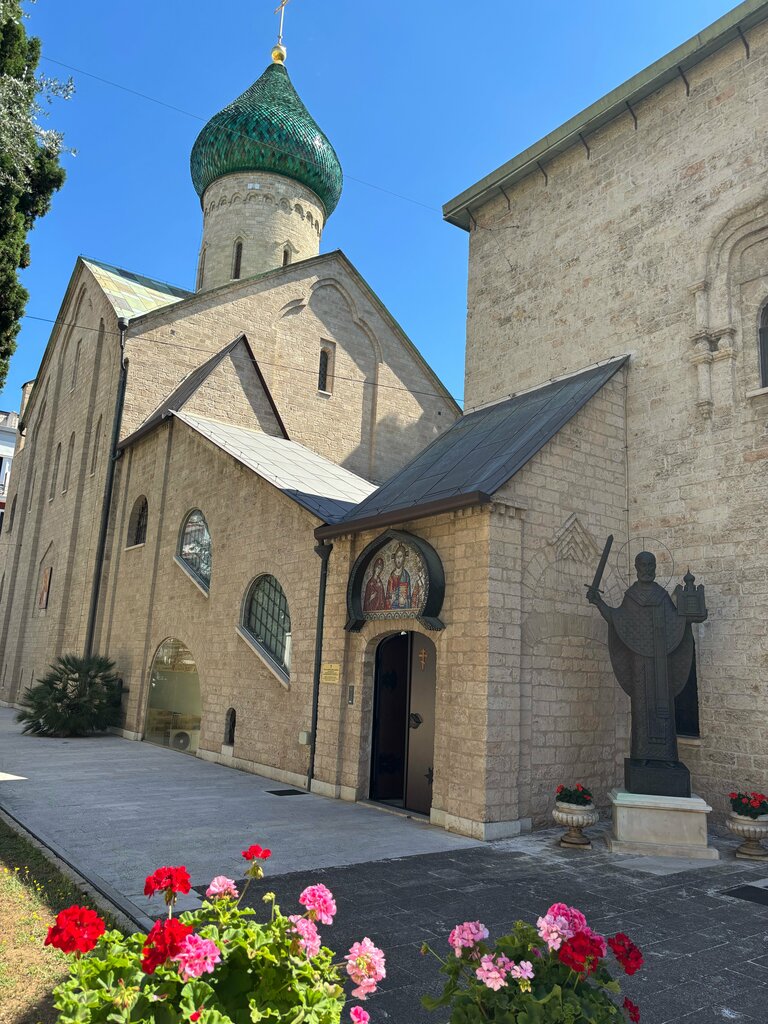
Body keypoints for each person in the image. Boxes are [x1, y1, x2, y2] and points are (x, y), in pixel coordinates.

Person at [587, 550, 707, 797]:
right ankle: (641, 756)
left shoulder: (662, 595)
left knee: (665, 710)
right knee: (642, 708)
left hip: (661, 663)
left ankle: (668, 759)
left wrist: (684, 619)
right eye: (643, 563)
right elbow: (618, 620)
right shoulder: (631, 596)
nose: (647, 567)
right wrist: (599, 603)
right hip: (640, 663)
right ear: (636, 566)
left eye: (651, 564)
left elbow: (677, 621)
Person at [386, 544, 412, 609]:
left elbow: (408, 597)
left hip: (402, 608)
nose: (398, 559)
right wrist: (391, 599)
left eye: (400, 556)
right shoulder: (391, 576)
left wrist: (404, 600)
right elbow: (387, 596)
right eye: (397, 557)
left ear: (403, 558)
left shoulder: (406, 575)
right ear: (394, 558)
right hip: (392, 607)